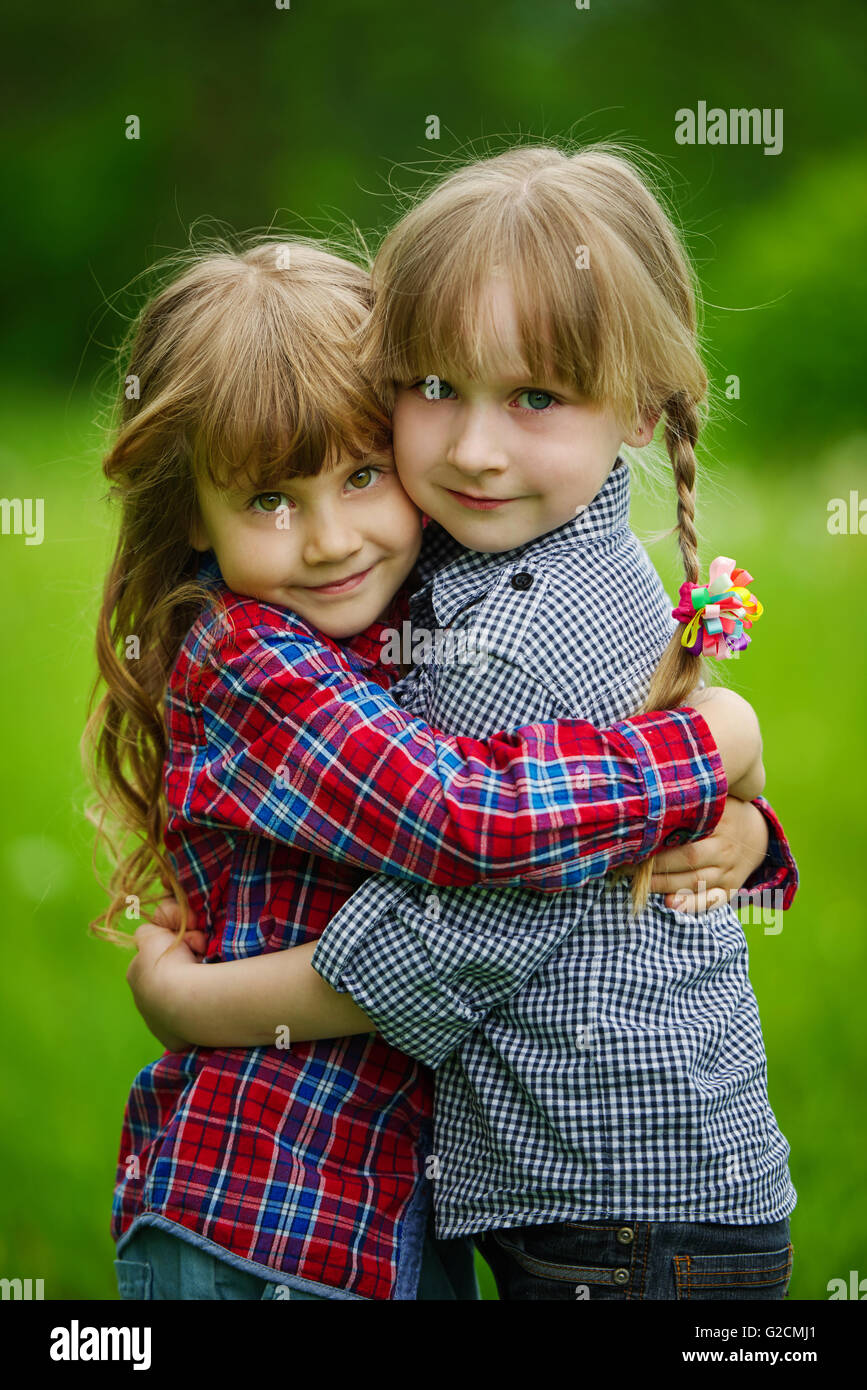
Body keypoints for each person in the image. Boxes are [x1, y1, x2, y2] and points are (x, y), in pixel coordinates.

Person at [123, 145, 798, 1300]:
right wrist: (723, 773)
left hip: (606, 1202)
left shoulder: (509, 612)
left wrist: (734, 798)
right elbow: (504, 827)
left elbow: (481, 886)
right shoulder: (458, 563)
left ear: (638, 405)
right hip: (414, 1196)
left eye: (534, 395)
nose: (474, 447)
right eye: (434, 388)